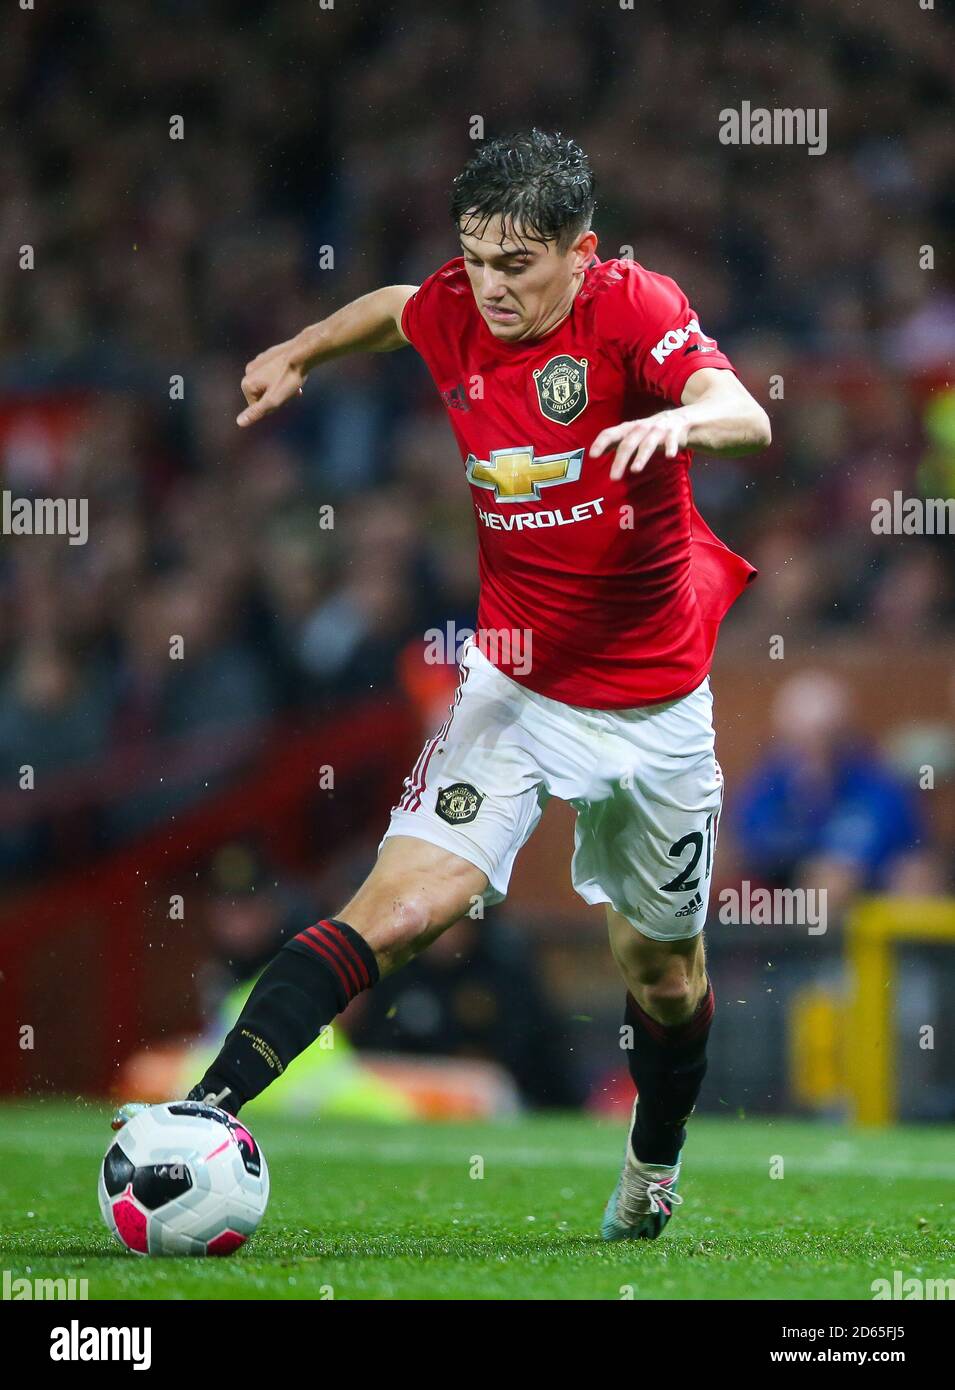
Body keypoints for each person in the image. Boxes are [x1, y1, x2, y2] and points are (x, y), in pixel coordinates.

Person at [121, 130, 771, 1241]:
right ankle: (202, 1113)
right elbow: (389, 305)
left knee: (661, 975)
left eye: (518, 263)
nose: (492, 286)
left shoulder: (631, 306)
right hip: (512, 690)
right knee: (403, 908)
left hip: (656, 708)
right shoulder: (456, 309)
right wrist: (303, 347)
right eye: (475, 258)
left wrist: (682, 419)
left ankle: (648, 1169)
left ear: (581, 253)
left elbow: (744, 413)